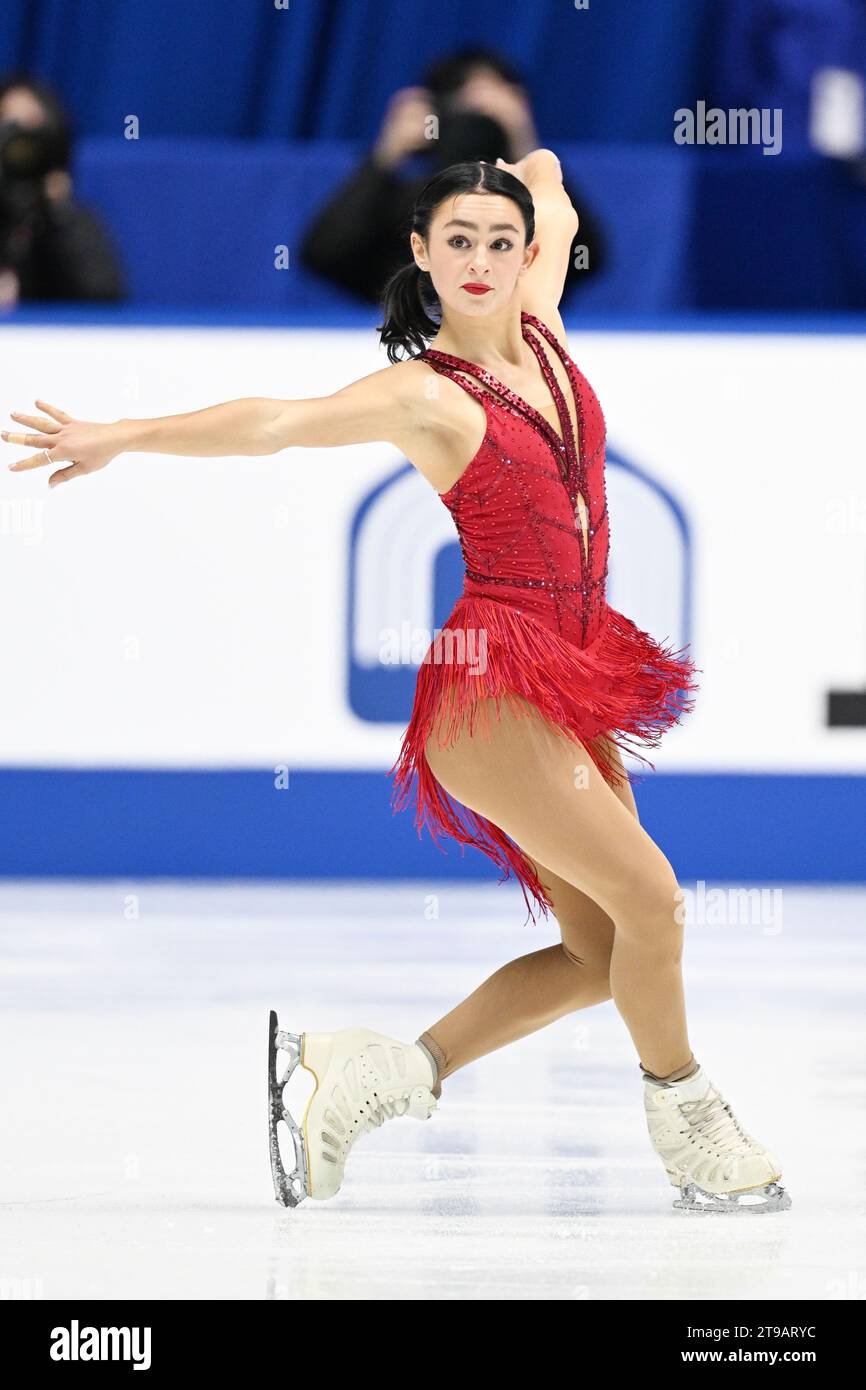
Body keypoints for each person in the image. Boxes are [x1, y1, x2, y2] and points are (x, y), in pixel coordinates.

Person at [1, 150, 790, 1217]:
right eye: (454, 241)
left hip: (566, 674)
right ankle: (686, 1118)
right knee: (652, 900)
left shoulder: (547, 334)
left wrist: (530, 174)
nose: (478, 261)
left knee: (603, 949)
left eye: (497, 243)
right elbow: (271, 423)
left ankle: (365, 1077)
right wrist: (126, 436)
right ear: (418, 254)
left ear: (524, 259)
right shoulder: (421, 393)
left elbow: (549, 188)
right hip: (491, 688)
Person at [300, 45, 606, 306]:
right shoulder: (408, 201)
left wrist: (528, 147)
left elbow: (587, 256)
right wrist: (385, 156)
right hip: (410, 342)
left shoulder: (532, 200)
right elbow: (325, 255)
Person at [0, 73, 125, 306]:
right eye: (9, 125)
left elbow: (103, 294)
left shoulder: (64, 216)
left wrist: (57, 211)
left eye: (30, 126)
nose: (20, 144)